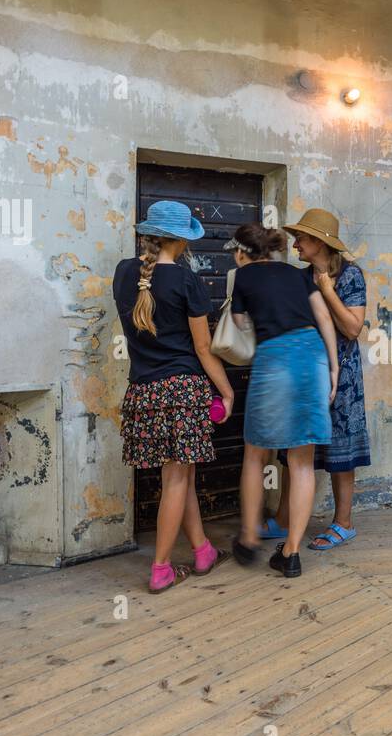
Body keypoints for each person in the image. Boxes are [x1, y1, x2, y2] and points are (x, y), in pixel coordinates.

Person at [113, 200, 236, 593]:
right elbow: (203, 349)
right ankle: (162, 567)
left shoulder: (122, 273)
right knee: (177, 479)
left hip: (142, 391)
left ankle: (202, 551)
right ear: (182, 240)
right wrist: (227, 390)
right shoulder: (186, 282)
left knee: (183, 475)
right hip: (182, 390)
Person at [227, 223, 338, 578]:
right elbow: (323, 318)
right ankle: (291, 552)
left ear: (243, 252)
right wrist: (334, 368)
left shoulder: (242, 277)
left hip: (275, 357)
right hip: (314, 355)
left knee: (255, 452)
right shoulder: (296, 274)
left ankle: (248, 538)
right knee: (302, 458)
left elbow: (240, 325)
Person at [258, 209, 370, 550]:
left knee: (341, 448)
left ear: (320, 242)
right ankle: (283, 518)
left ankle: (344, 523)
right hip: (305, 373)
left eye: (302, 238)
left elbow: (353, 329)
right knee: (295, 447)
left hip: (343, 378)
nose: (295, 244)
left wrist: (326, 289)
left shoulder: (351, 276)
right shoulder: (298, 278)